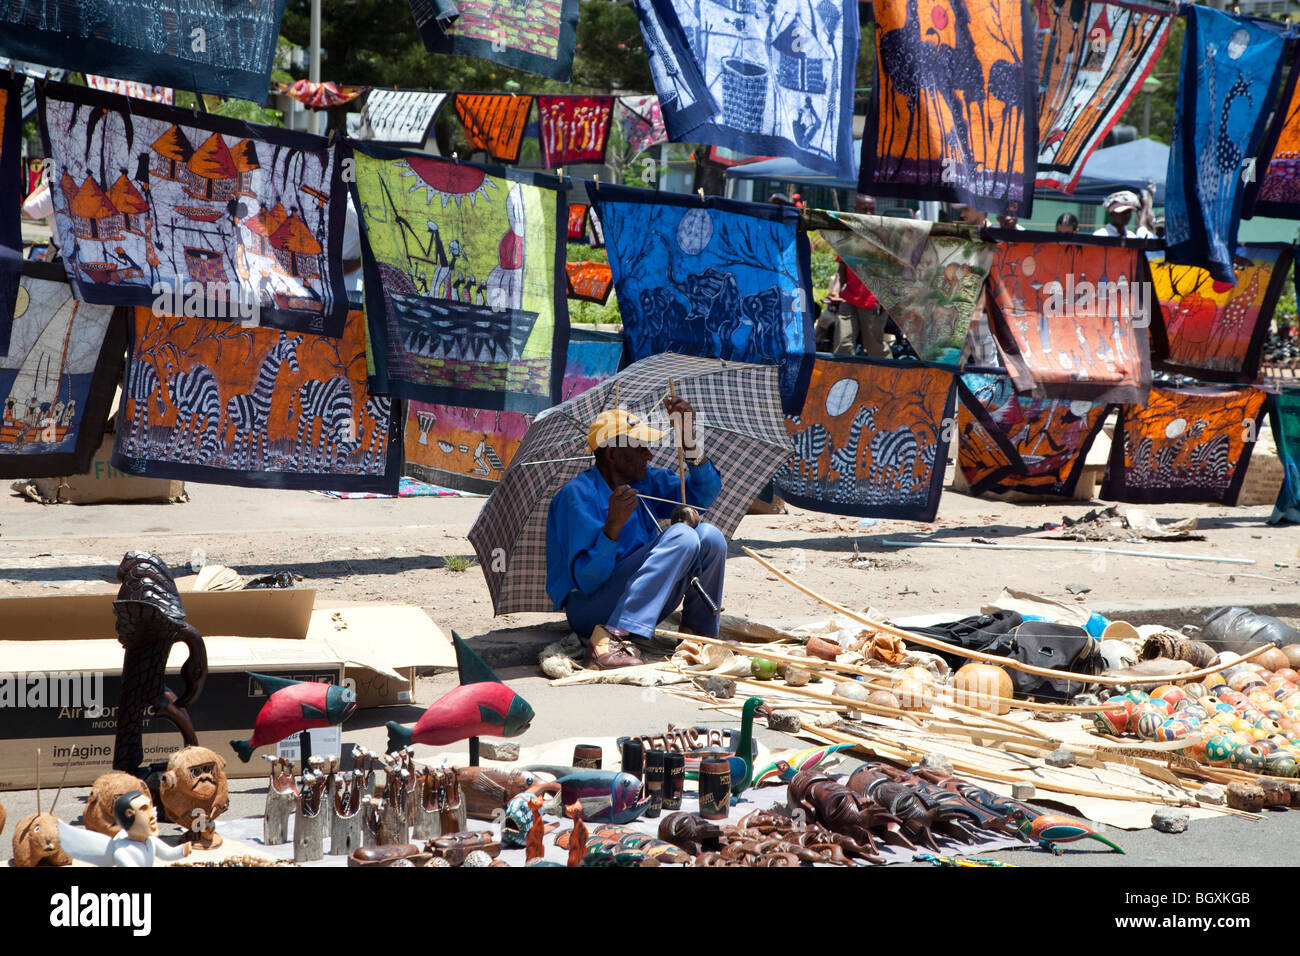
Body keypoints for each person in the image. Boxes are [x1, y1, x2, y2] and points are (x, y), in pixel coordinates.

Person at [546, 399, 725, 670]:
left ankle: (697, 636)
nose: (648, 455)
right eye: (640, 447)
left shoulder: (645, 481)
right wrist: (612, 527)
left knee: (710, 536)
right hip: (592, 610)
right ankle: (605, 643)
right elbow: (587, 581)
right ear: (612, 454)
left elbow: (703, 495)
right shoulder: (576, 496)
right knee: (683, 536)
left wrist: (690, 441)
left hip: (642, 600)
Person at [822, 194, 887, 357]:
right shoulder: (848, 237)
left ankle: (890, 379)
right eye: (864, 210)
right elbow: (841, 270)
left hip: (873, 301)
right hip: (849, 298)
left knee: (874, 347)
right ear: (855, 210)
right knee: (843, 343)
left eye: (872, 210)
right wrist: (835, 291)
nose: (869, 214)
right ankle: (841, 377)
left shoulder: (882, 238)